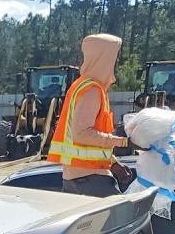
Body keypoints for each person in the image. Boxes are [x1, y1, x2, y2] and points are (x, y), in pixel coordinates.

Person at [46, 34, 129, 196]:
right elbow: (82, 134)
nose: (116, 62)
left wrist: (113, 163)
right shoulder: (92, 90)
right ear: (104, 58)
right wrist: (125, 142)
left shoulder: (81, 86)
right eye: (114, 57)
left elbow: (86, 143)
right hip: (90, 180)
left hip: (79, 178)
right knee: (123, 218)